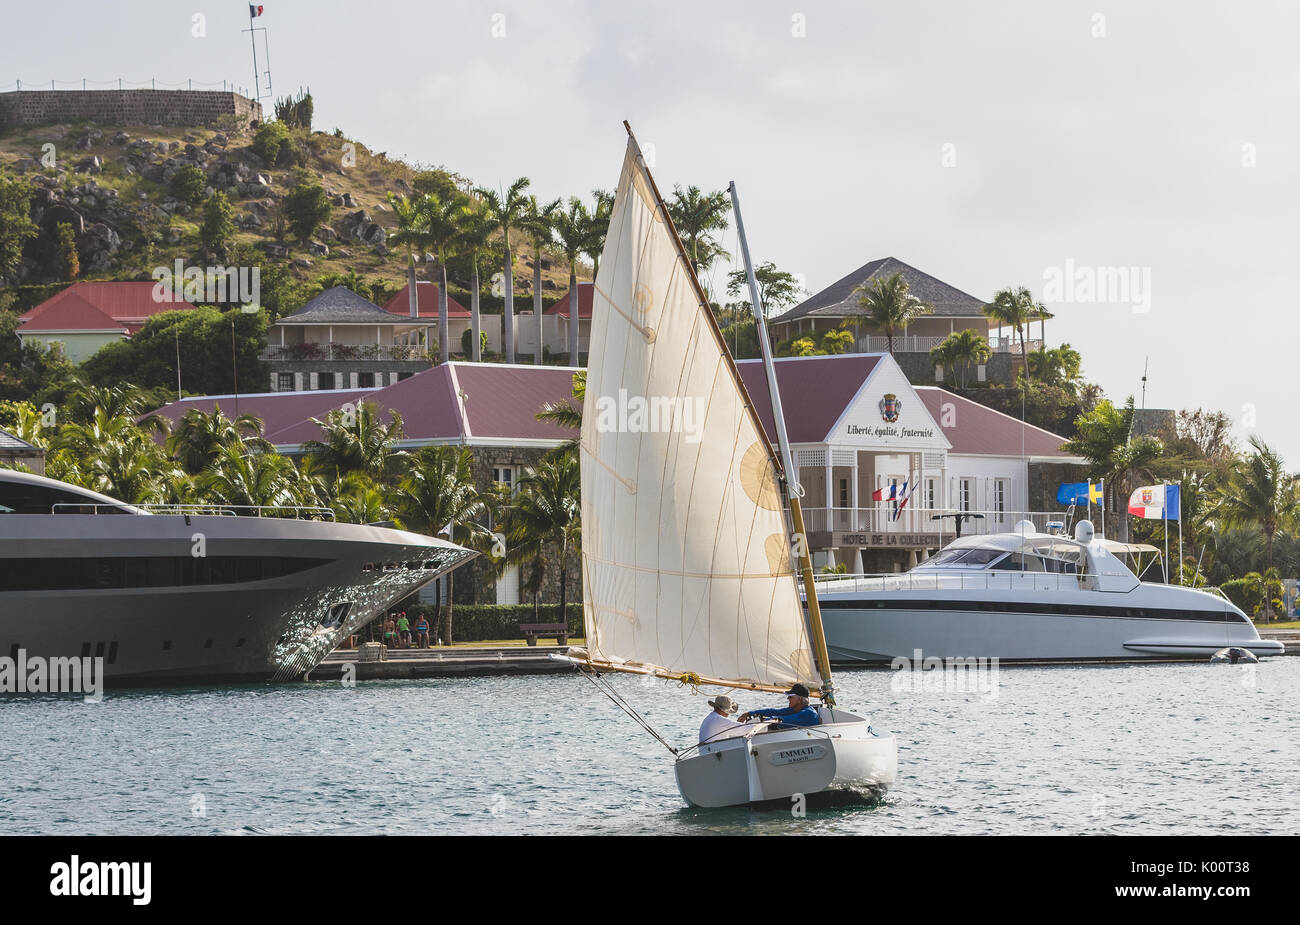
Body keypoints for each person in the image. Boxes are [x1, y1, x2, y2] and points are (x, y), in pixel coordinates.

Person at [739, 683, 820, 728]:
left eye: (791, 696)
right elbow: (774, 712)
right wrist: (750, 713)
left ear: (799, 699)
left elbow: (783, 719)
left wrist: (764, 720)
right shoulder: (794, 710)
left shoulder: (809, 713)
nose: (788, 698)